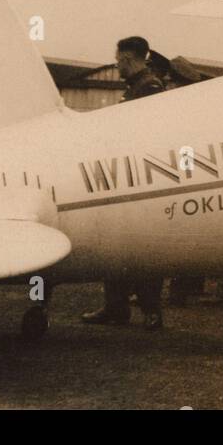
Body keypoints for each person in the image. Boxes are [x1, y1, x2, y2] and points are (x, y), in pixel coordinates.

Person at [81, 36, 167, 330]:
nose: (117, 66)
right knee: (117, 243)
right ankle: (116, 308)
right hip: (124, 178)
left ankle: (151, 311)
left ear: (129, 59)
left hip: (142, 181)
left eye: (118, 61)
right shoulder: (136, 87)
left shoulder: (150, 88)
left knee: (144, 248)